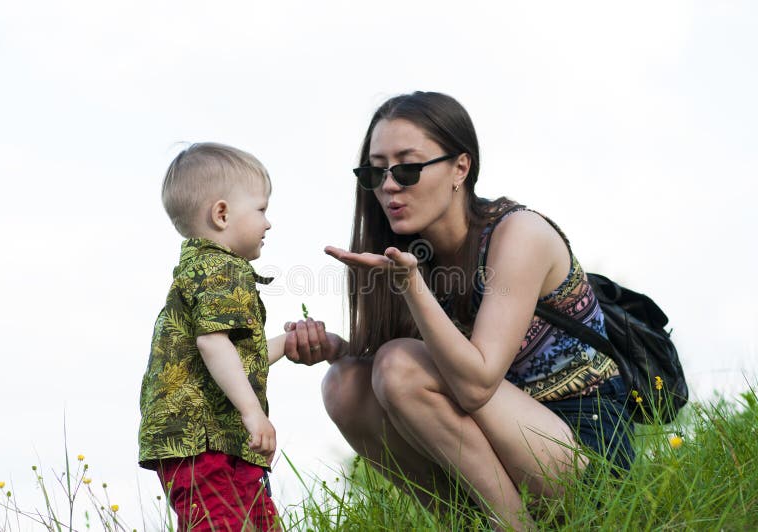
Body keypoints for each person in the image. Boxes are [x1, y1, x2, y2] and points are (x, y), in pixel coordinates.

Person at [284, 92, 634, 530]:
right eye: (375, 172)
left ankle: (511, 527)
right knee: (345, 384)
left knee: (399, 365)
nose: (389, 185)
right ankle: (472, 524)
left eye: (407, 168)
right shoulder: (412, 253)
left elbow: (475, 386)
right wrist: (338, 350)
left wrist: (412, 286)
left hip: (584, 452)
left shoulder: (518, 233)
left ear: (460, 168)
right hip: (499, 447)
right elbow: (415, 380)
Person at [138, 143, 330, 531]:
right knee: (222, 523)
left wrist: (284, 344)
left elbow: (230, 355)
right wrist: (253, 412)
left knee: (253, 522)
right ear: (222, 214)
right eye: (261, 209)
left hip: (215, 438)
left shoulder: (204, 269)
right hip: (201, 439)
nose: (268, 223)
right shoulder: (220, 268)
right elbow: (213, 344)